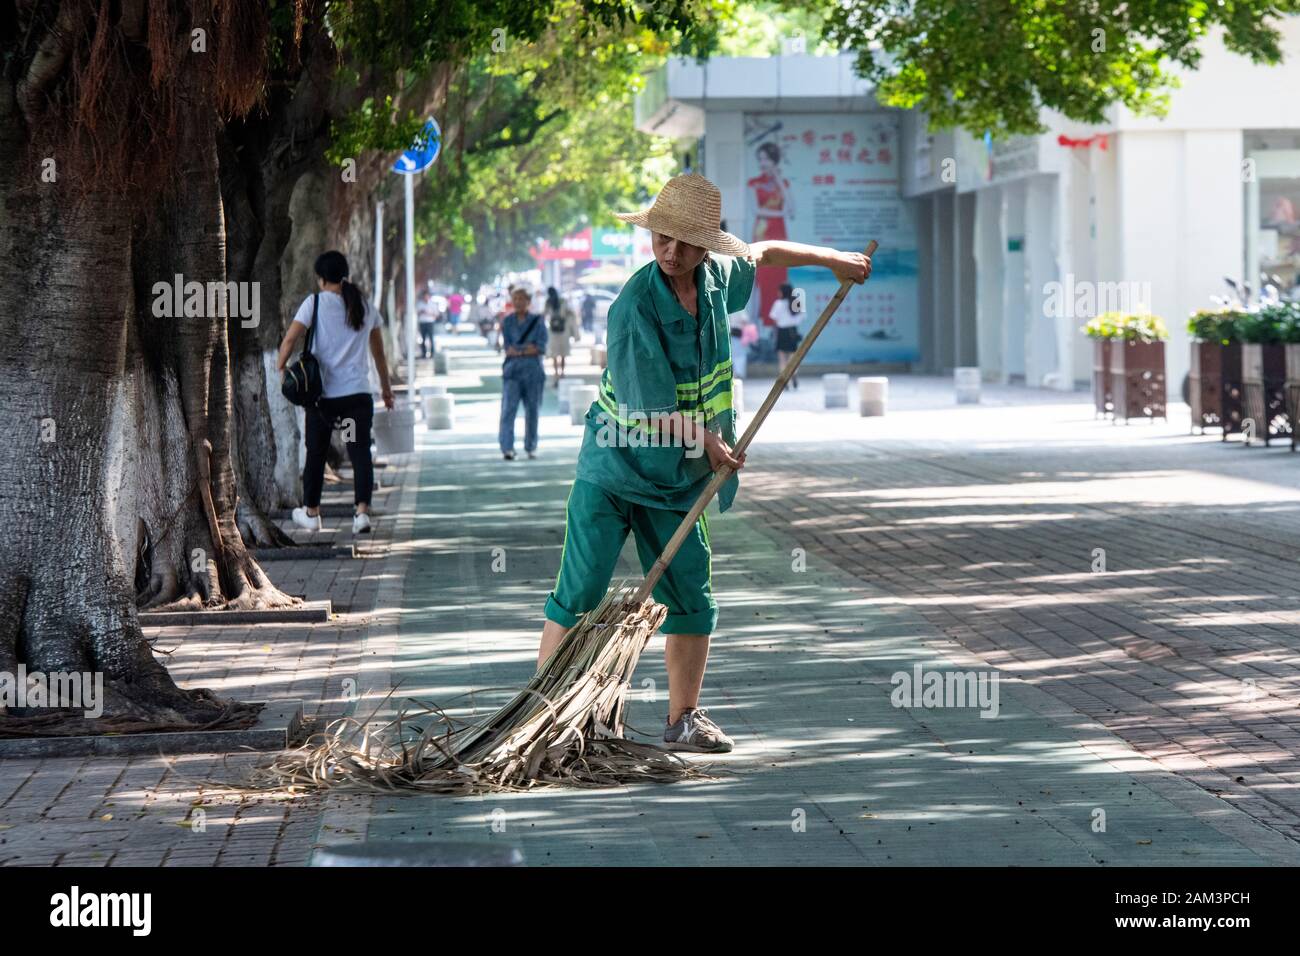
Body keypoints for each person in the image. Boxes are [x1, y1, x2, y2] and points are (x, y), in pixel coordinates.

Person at [537, 173, 869, 752]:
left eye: (686, 243)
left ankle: (682, 720)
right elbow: (651, 405)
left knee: (691, 595)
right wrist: (709, 441)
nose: (671, 252)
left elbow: (764, 253)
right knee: (581, 590)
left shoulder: (718, 278)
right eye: (662, 238)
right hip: (614, 469)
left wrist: (833, 260)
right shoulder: (633, 305)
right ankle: (544, 719)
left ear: (708, 245)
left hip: (679, 476)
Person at [276, 250, 394, 535]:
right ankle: (361, 513)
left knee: (316, 453)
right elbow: (379, 355)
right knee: (358, 451)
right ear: (345, 274)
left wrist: (281, 368)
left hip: (322, 402)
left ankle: (312, 513)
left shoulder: (314, 303)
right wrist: (387, 391)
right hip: (356, 399)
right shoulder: (364, 306)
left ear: (320, 279)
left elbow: (291, 339)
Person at [748, 142, 794, 329]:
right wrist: (780, 214)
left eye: (766, 158)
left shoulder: (784, 184)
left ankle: (779, 326)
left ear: (775, 160)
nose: (762, 162)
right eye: (760, 159)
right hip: (762, 233)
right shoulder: (754, 183)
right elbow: (755, 209)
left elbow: (792, 207)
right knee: (762, 279)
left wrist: (778, 180)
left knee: (780, 279)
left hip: (780, 234)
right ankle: (761, 328)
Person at [499, 286, 548, 460]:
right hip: (512, 372)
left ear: (528, 301)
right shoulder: (507, 321)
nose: (518, 302)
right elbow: (508, 348)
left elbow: (541, 347)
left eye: (522, 299)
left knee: (532, 410)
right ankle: (507, 447)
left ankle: (531, 446)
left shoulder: (538, 321)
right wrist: (526, 349)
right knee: (508, 410)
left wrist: (520, 350)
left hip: (533, 372)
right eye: (515, 299)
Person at [769, 282, 802, 389]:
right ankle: (794, 375)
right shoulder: (796, 303)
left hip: (782, 332)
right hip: (793, 331)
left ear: (782, 292)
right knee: (793, 358)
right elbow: (801, 317)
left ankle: (785, 381)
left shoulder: (778, 303)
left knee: (782, 359)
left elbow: (774, 318)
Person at [544, 286, 579, 384]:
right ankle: (562, 374)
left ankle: (556, 375)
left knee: (554, 354)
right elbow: (569, 312)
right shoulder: (562, 301)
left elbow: (544, 315)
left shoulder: (548, 302)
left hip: (553, 331)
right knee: (563, 353)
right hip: (563, 331)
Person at [416, 289, 437, 358]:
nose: (426, 298)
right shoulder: (420, 304)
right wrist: (422, 312)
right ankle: (424, 353)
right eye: (424, 296)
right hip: (422, 322)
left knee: (431, 338)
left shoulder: (432, 304)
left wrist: (429, 313)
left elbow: (436, 314)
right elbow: (417, 313)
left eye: (427, 296)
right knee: (423, 339)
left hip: (430, 322)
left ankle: (432, 353)